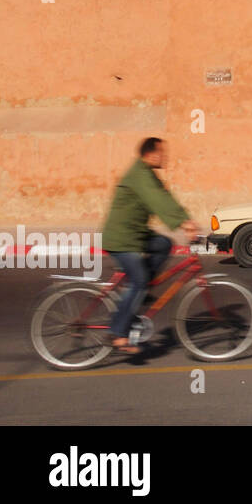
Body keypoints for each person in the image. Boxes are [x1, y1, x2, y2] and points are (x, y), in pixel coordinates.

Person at [100, 137, 200, 354]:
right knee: (139, 281)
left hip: (135, 234)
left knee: (164, 244)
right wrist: (183, 223)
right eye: (162, 153)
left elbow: (165, 197)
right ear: (151, 154)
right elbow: (157, 200)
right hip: (122, 239)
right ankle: (117, 334)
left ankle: (140, 291)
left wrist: (185, 219)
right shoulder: (140, 175)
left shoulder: (147, 174)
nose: (165, 157)